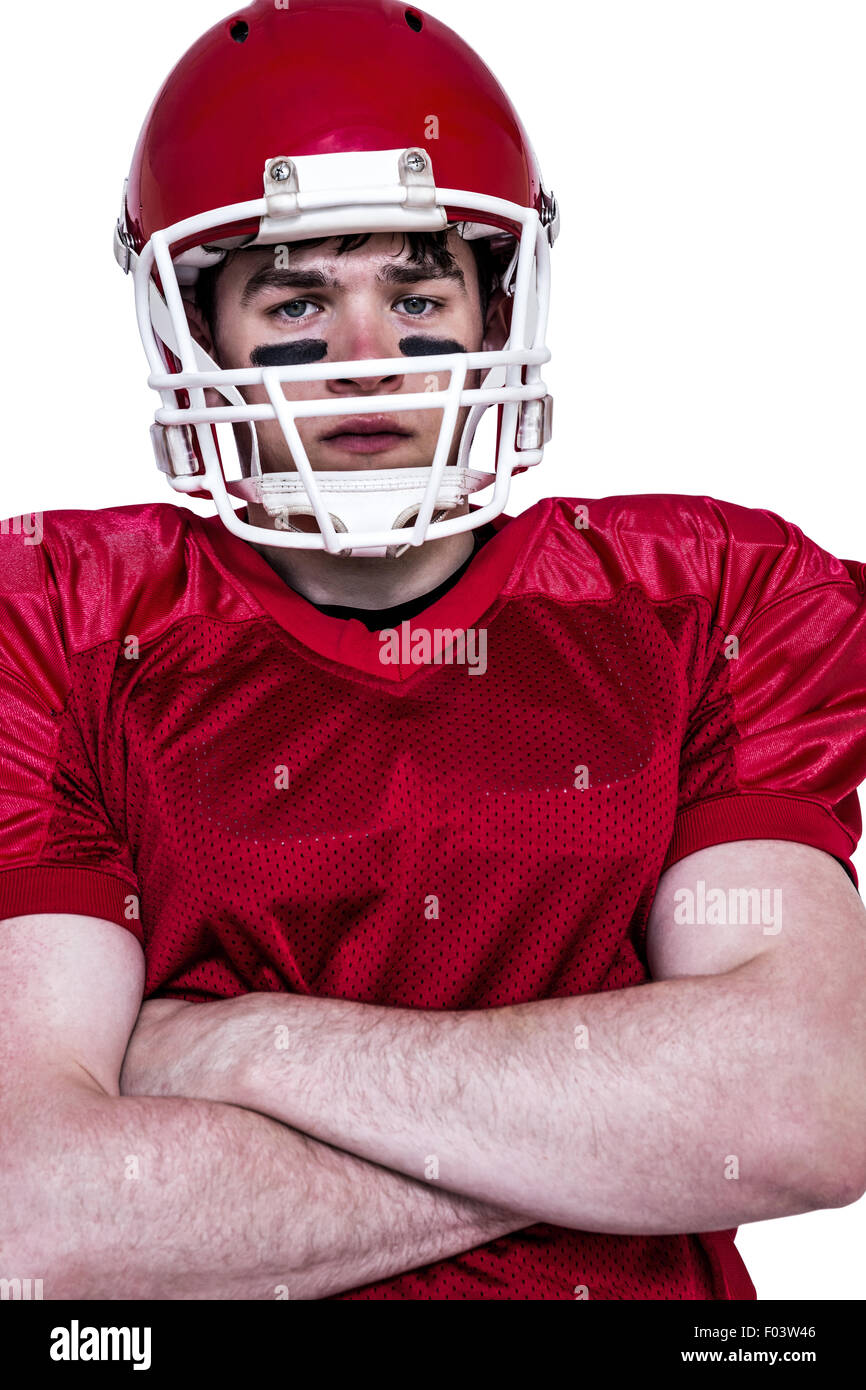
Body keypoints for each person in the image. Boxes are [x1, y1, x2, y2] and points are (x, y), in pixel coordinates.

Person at [2, 0, 865, 1301]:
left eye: (415, 292)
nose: (365, 361)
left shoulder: (712, 591)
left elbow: (801, 1102)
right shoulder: (59, 617)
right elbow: (40, 1209)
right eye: (297, 297)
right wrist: (623, 1132)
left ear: (494, 304)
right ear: (195, 326)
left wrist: (240, 1049)